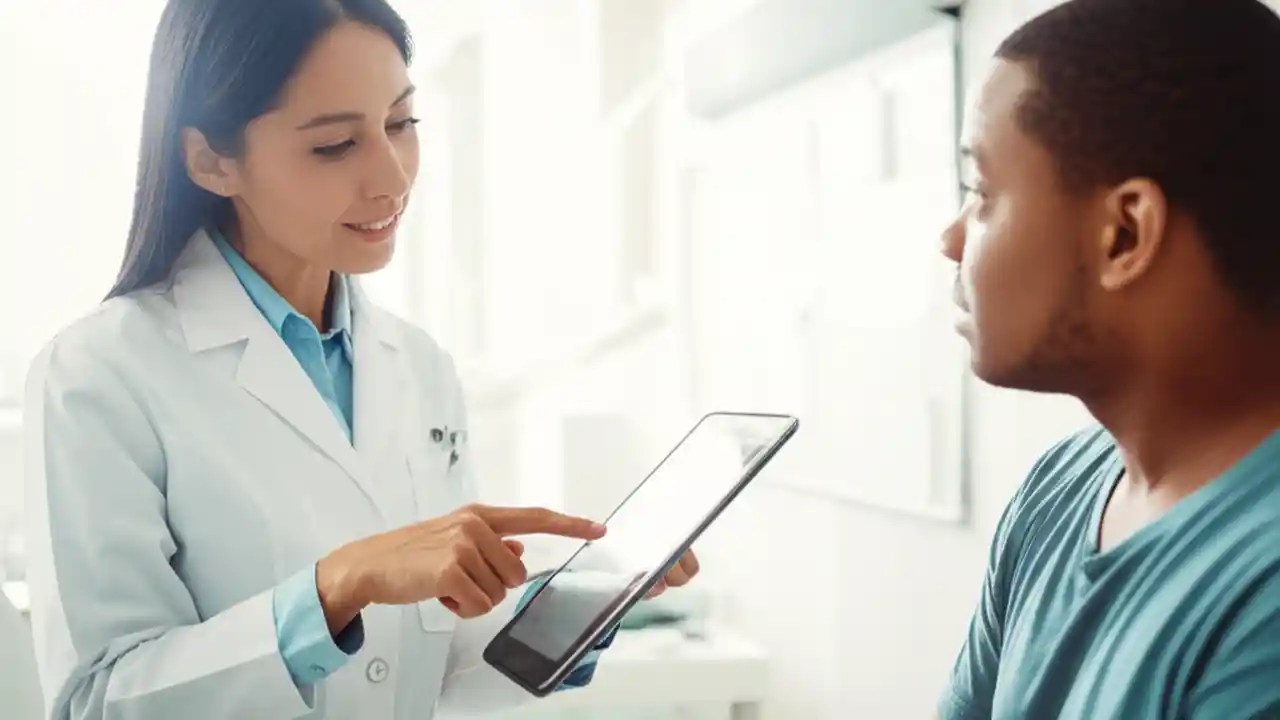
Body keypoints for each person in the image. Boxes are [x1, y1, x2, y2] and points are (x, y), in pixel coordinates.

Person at [22, 1, 699, 718]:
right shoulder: (98, 373)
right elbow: (98, 700)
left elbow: (433, 665)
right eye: (336, 145)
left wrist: (586, 603)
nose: (392, 178)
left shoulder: (418, 364)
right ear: (211, 160)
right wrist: (338, 586)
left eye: (401, 124)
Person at [936, 0, 1280, 717]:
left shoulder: (1264, 596)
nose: (952, 238)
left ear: (1124, 234)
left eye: (982, 192)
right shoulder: (1057, 490)